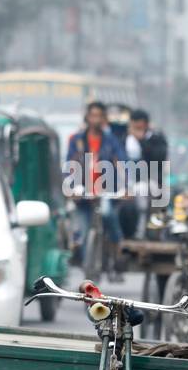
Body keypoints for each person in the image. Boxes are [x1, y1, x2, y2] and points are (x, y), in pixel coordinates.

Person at [66, 100, 128, 273]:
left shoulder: (111, 141)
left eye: (100, 116)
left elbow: (122, 163)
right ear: (87, 117)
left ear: (104, 119)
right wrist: (72, 186)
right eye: (93, 115)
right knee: (83, 233)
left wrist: (125, 186)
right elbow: (69, 164)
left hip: (106, 190)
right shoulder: (76, 140)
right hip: (83, 192)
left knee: (108, 214)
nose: (96, 119)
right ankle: (88, 266)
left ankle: (118, 245)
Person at [123, 108, 169, 240]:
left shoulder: (157, 138)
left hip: (152, 180)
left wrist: (141, 140)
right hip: (128, 181)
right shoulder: (125, 138)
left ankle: (145, 232)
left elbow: (158, 157)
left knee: (144, 192)